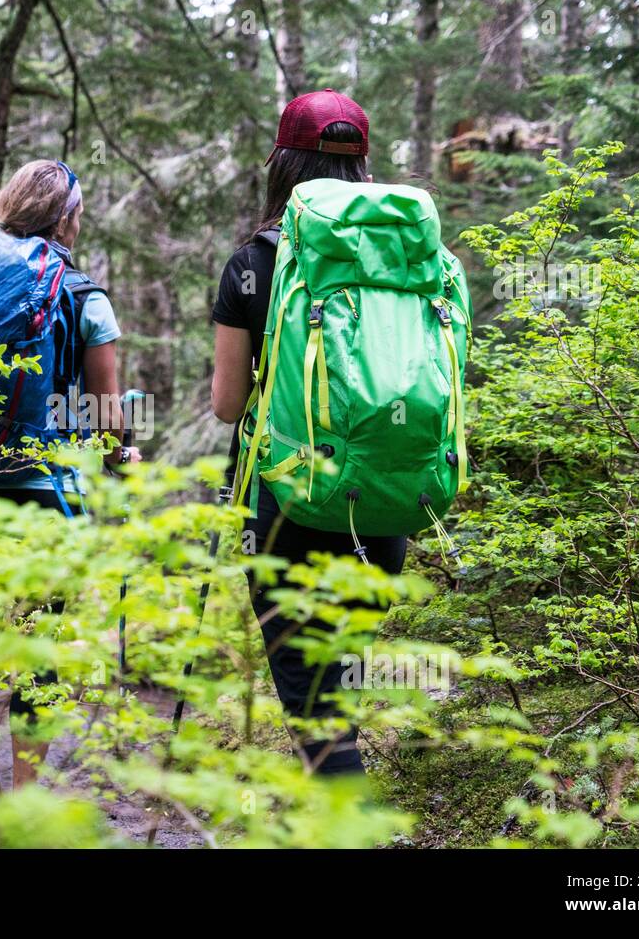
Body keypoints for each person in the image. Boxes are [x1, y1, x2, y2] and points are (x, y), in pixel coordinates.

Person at [210, 90, 405, 776]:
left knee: (313, 705)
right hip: (385, 503)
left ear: (282, 165)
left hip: (290, 504)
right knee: (338, 687)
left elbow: (228, 406)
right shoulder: (405, 259)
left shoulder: (253, 263)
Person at [0, 159, 141, 789]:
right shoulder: (84, 296)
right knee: (39, 649)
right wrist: (122, 458)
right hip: (45, 493)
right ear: (68, 218)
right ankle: (23, 806)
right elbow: (107, 417)